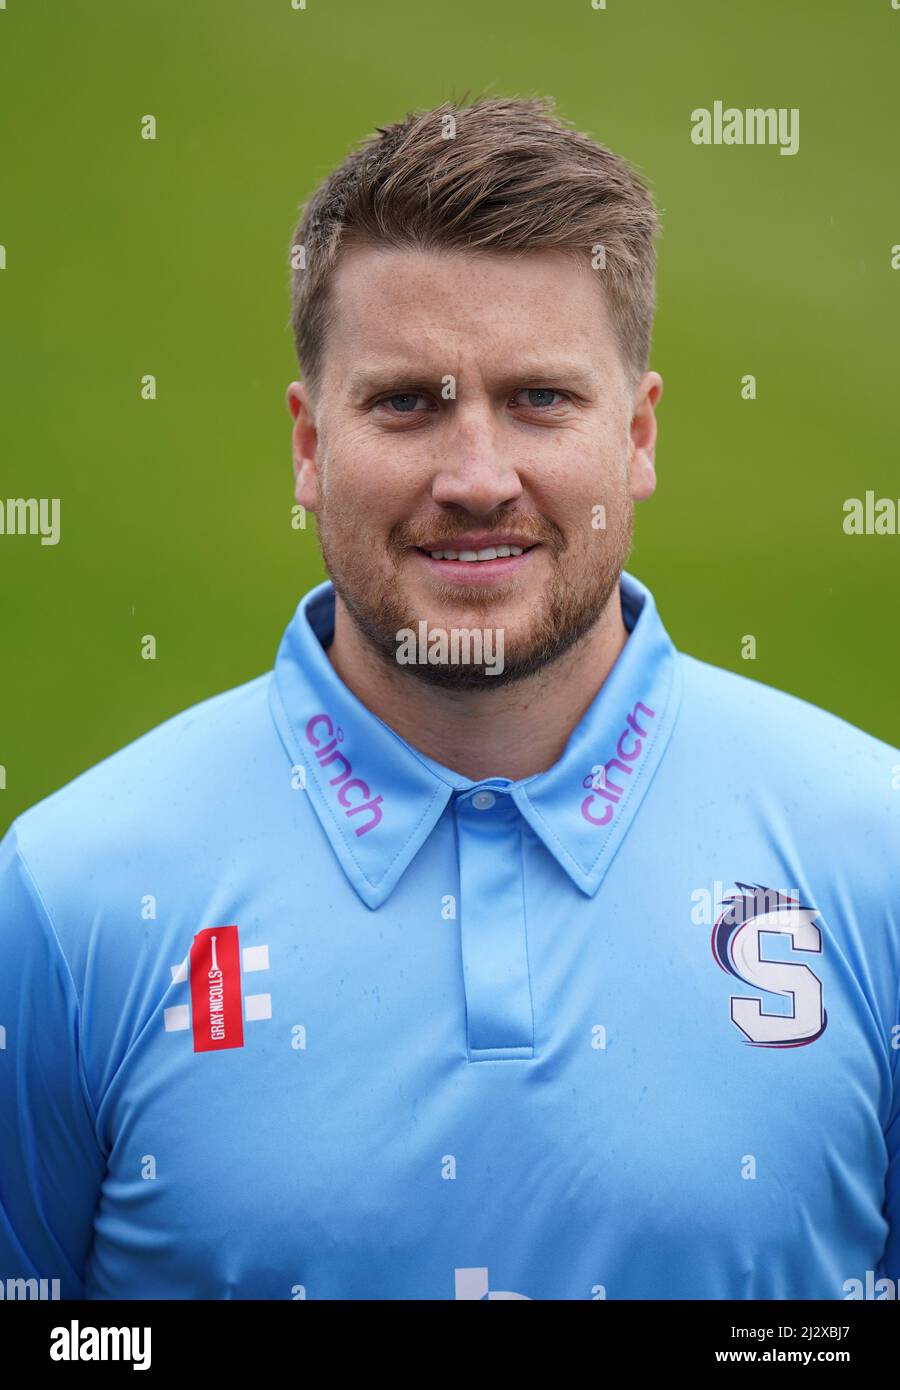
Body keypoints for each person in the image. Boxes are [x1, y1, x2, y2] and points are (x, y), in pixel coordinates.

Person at [1, 95, 897, 1302]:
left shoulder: (874, 855)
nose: (477, 479)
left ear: (636, 434)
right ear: (310, 448)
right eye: (409, 403)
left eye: (540, 399)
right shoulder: (70, 899)